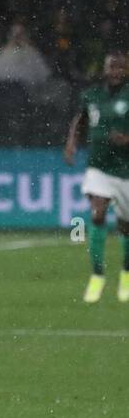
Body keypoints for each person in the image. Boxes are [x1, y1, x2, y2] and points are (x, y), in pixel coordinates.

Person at [64, 52, 129, 303]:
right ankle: (97, 275)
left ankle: (125, 274)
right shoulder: (92, 95)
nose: (116, 72)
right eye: (112, 67)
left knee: (125, 227)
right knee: (97, 213)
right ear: (105, 69)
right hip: (99, 166)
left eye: (121, 67)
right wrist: (71, 143)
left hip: (125, 170)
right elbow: (79, 119)